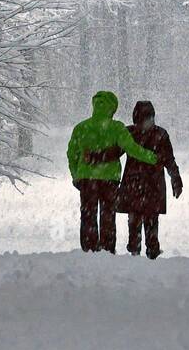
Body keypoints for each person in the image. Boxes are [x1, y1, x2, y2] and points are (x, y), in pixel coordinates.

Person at [67, 91, 157, 253]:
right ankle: (107, 249)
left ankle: (88, 248)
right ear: (113, 108)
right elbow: (132, 149)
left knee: (88, 215)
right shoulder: (117, 128)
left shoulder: (81, 128)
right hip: (109, 179)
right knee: (108, 214)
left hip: (87, 178)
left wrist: (76, 175)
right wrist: (152, 157)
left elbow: (72, 154)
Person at [114, 100, 181, 259]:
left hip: (140, 185)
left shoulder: (134, 133)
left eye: (151, 117)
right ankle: (141, 252)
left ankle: (146, 252)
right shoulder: (155, 134)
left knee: (144, 221)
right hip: (146, 185)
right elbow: (115, 152)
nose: (150, 121)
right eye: (147, 117)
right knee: (140, 221)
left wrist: (176, 178)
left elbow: (169, 159)